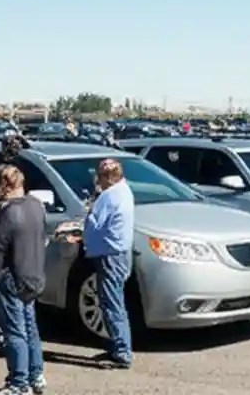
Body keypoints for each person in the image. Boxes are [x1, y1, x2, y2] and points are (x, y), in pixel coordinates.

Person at [0, 165, 47, 395]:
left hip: (11, 277)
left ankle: (19, 383)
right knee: (30, 329)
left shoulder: (7, 212)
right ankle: (36, 375)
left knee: (14, 333)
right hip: (34, 275)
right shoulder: (36, 206)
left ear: (3, 185)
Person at [82, 158, 136, 369]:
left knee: (112, 303)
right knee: (117, 300)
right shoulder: (125, 191)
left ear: (105, 177)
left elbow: (95, 222)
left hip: (109, 254)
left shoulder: (108, 196)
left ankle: (122, 351)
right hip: (121, 251)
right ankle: (120, 345)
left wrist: (90, 209)